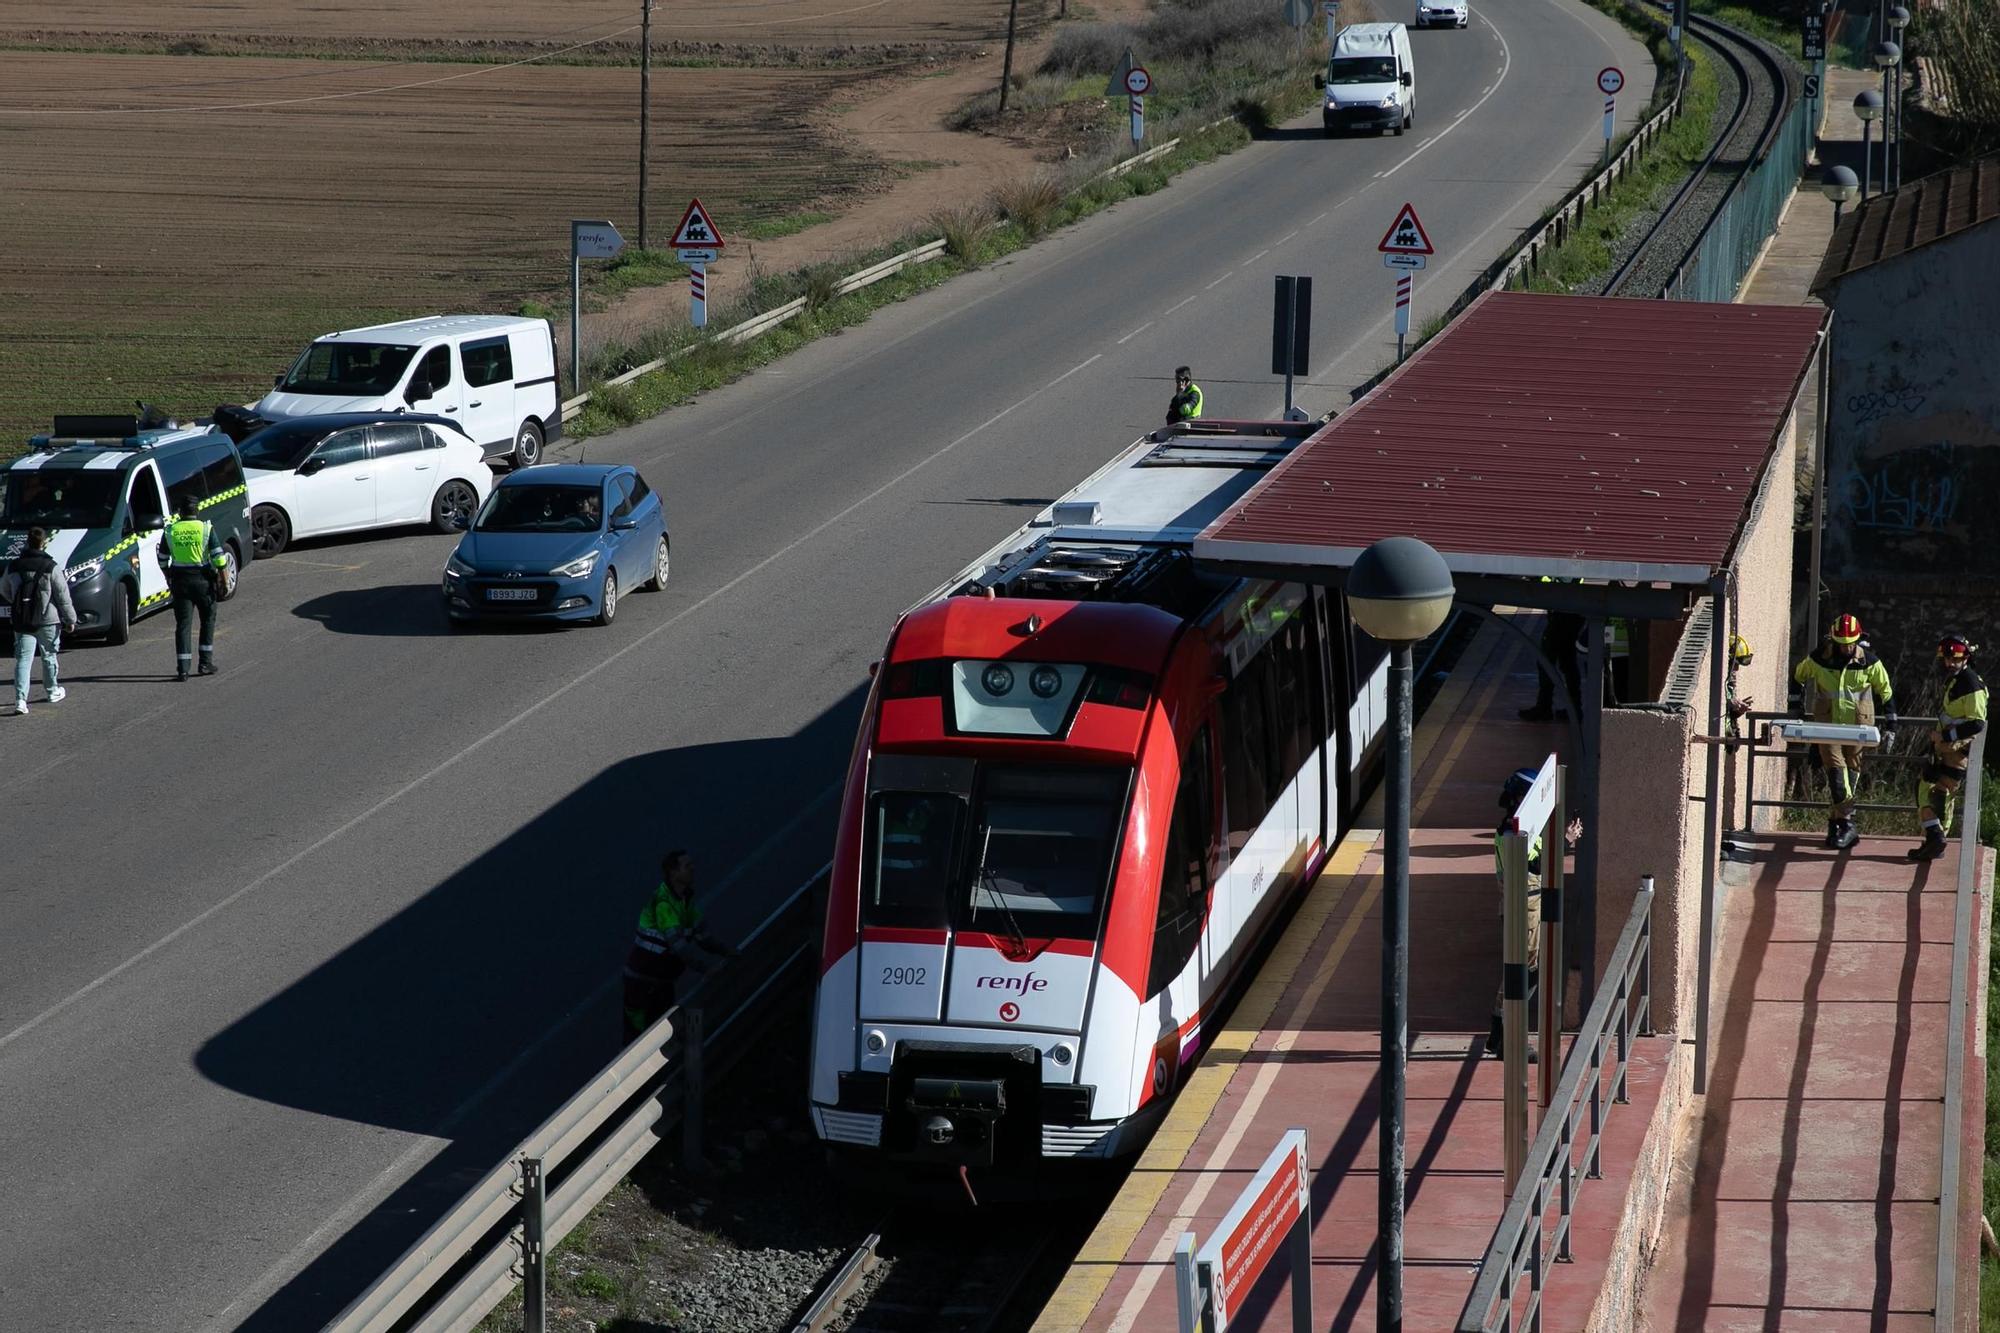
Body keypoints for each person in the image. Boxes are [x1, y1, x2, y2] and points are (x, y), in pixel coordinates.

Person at [1486, 767, 1582, 1059]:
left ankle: (1499, 1036)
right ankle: (1509, 1040)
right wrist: (1565, 841)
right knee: (1524, 973)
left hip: (1527, 906)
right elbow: (1537, 864)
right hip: (1523, 910)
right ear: (1519, 797)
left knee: (1521, 972)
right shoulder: (1511, 832)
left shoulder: (1520, 828)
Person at [1791, 612, 1896, 851]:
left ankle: (1836, 824)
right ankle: (1848, 824)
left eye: (1851, 643)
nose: (1847, 648)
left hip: (1860, 729)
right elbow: (1798, 676)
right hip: (1828, 728)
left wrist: (1892, 726)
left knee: (1850, 779)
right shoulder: (1818, 659)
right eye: (1842, 644)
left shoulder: (1869, 662)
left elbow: (1886, 692)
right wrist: (1794, 706)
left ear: (1858, 640)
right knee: (1837, 778)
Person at [622, 850, 736, 1040]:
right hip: (641, 982)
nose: (693, 869)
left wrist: (727, 951)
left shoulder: (685, 901)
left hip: (662, 981)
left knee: (665, 1031)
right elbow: (679, 947)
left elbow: (703, 937)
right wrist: (706, 969)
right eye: (687, 866)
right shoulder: (664, 904)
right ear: (673, 873)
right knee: (637, 1037)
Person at [1909, 633, 1986, 862]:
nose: (1949, 663)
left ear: (1966, 658)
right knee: (1942, 795)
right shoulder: (1958, 679)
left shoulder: (1970, 683)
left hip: (1957, 751)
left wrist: (1944, 735)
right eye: (1947, 659)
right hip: (1947, 749)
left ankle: (1935, 836)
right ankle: (1936, 841)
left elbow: (1977, 722)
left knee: (1929, 791)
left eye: (1954, 659)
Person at [2, 527, 77, 715]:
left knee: (23, 659)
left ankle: (20, 700)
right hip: (48, 619)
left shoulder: (14, 566)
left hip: (22, 619)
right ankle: (52, 691)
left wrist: (18, 603)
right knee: (49, 656)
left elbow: (3, 589)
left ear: (27, 542)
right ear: (44, 542)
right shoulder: (50, 567)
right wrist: (70, 619)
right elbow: (62, 596)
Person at [158, 496, 228, 680]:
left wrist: (168, 578)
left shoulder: (170, 531)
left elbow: (162, 559)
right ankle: (205, 663)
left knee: (183, 625)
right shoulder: (205, 529)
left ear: (180, 512)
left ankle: (183, 669)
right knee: (207, 621)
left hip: (180, 582)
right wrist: (224, 581)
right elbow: (219, 559)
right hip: (203, 581)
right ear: (197, 510)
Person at [1519, 579, 1582, 721]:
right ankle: (1574, 709)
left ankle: (1545, 708)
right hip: (1569, 609)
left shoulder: (1567, 569)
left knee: (1547, 660)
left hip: (1564, 612)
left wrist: (1537, 576)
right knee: (1567, 662)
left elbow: (1558, 579)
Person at [1724, 633, 1756, 737]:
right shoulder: (1716, 677)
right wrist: (1731, 702)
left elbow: (1732, 746)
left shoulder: (1730, 681)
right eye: (1735, 664)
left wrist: (1738, 711)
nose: (1737, 669)